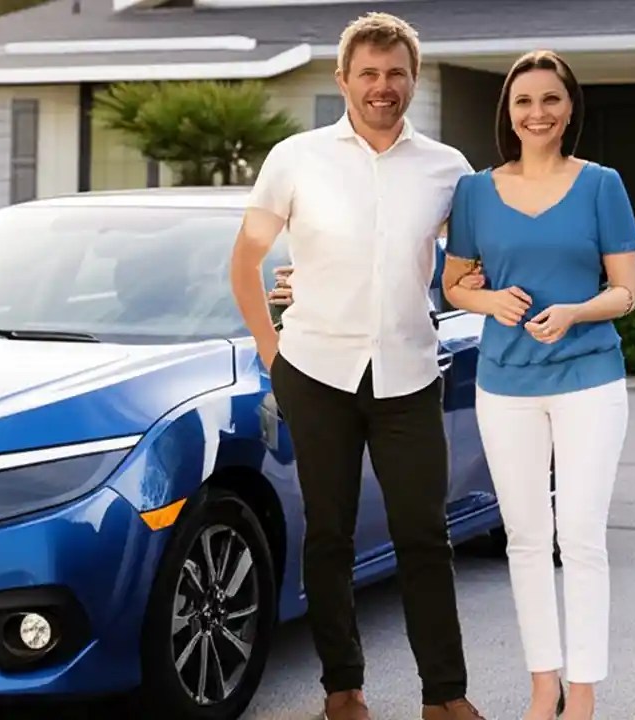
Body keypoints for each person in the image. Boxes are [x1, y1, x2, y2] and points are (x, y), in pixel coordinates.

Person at [228, 12, 484, 720]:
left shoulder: (448, 169)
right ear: (343, 80)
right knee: (330, 536)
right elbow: (245, 263)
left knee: (424, 537)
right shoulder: (296, 158)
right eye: (368, 73)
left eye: (395, 73)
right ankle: (343, 690)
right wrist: (274, 356)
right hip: (316, 375)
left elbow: (469, 266)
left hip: (409, 375)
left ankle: (445, 697)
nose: (382, 86)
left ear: (414, 79)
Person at [439, 50, 635, 720]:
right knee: (525, 539)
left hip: (589, 379)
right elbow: (454, 284)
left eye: (551, 99)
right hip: (504, 385)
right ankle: (543, 685)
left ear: (570, 107)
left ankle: (582, 693)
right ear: (508, 112)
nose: (537, 113)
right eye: (523, 101)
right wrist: (489, 301)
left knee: (579, 536)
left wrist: (576, 312)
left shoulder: (602, 185)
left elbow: (628, 291)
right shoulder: (475, 192)